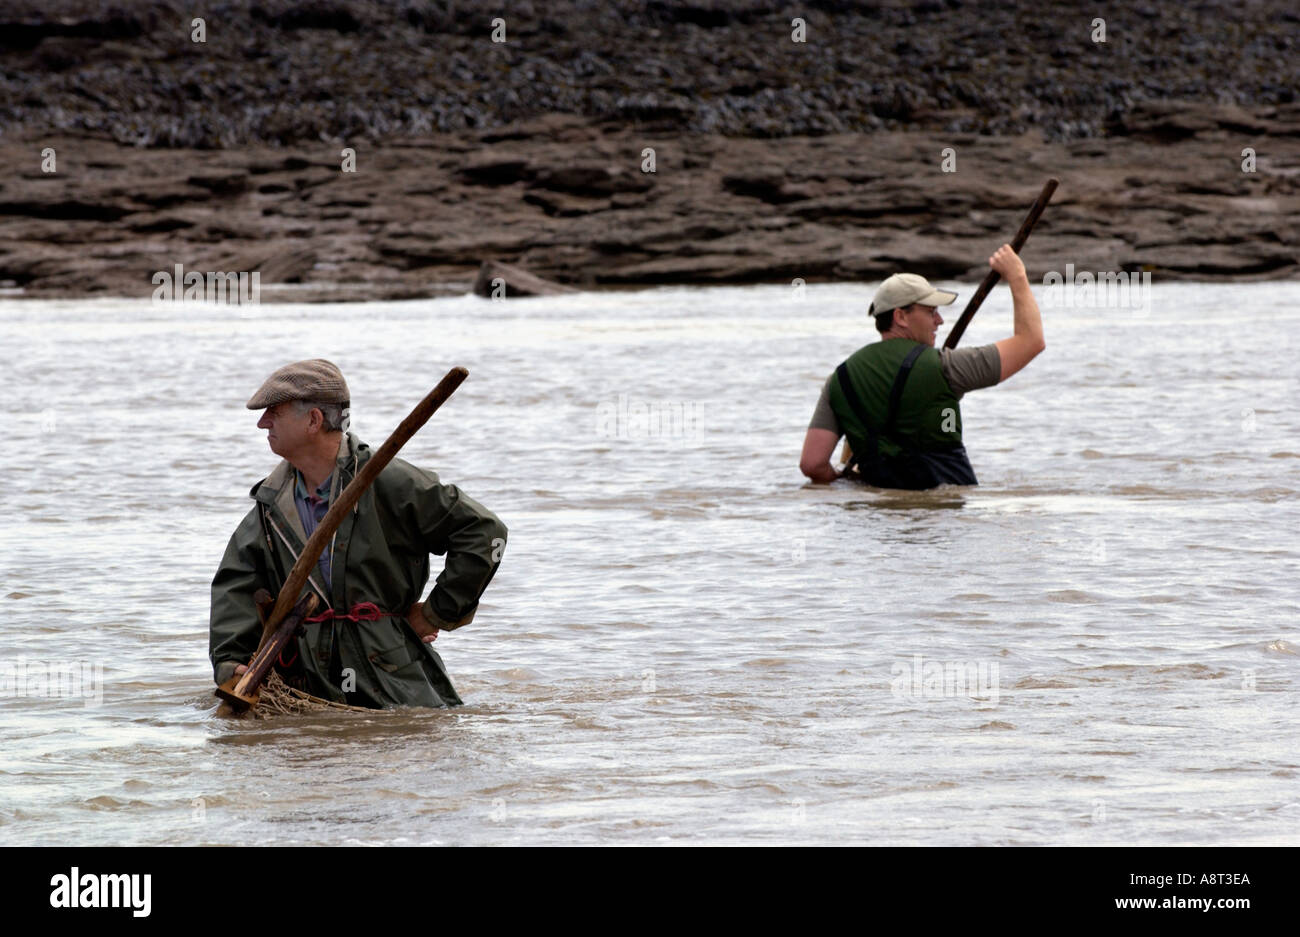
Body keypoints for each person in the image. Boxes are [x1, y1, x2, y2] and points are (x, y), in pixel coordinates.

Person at [209, 359, 506, 708]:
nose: (262, 422)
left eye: (273, 411)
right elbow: (236, 585)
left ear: (314, 420)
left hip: (390, 677)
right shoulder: (270, 505)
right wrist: (231, 663)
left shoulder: (389, 481)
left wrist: (436, 612)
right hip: (304, 681)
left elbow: (484, 532)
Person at [799, 244, 1045, 488]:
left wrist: (847, 483)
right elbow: (1031, 341)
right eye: (931, 312)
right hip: (942, 520)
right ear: (900, 317)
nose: (939, 320)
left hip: (877, 521)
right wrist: (1017, 276)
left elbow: (812, 464)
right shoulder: (946, 366)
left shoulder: (839, 379)